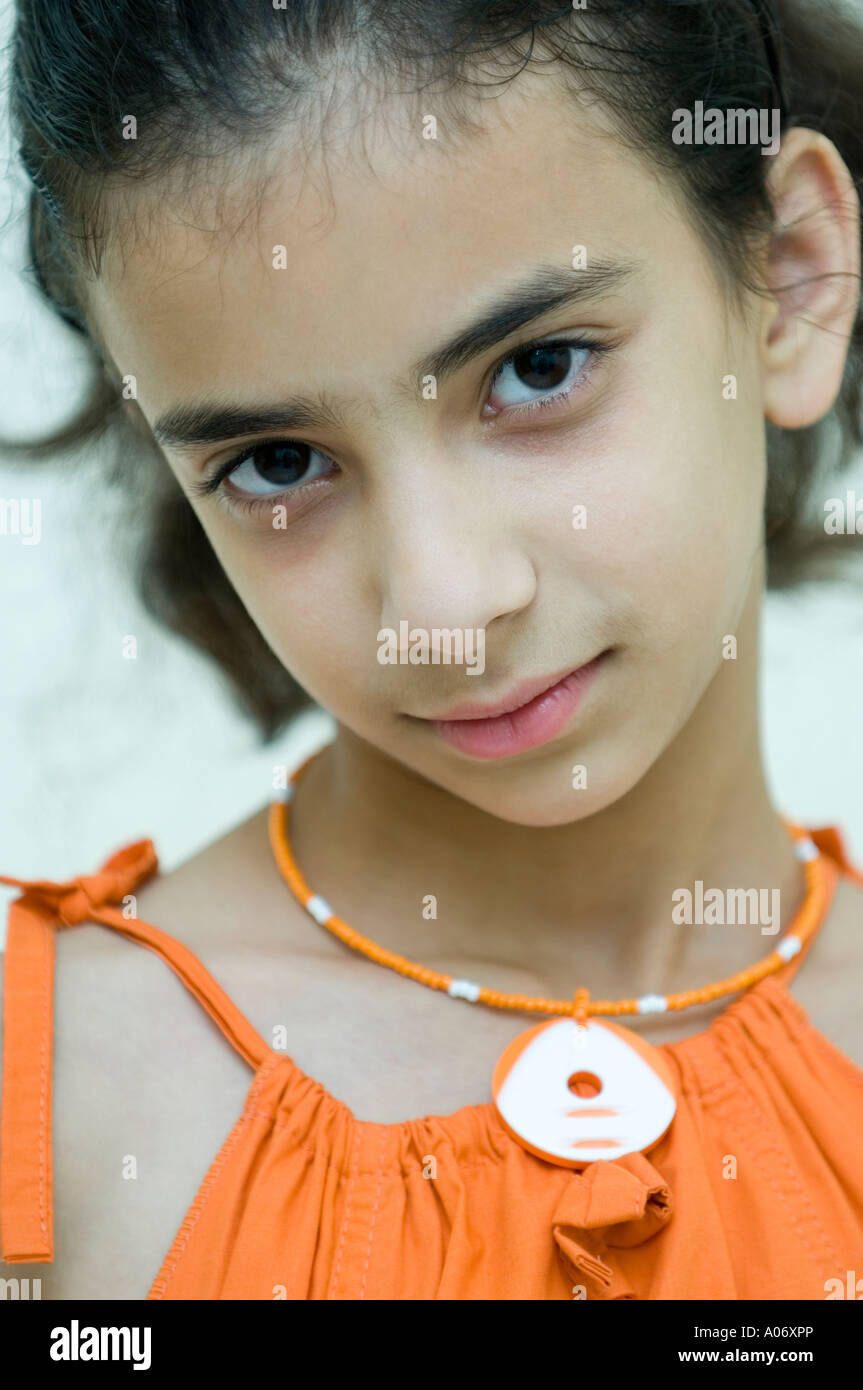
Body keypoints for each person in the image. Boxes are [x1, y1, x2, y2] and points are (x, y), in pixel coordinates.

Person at [1, 0, 862, 1301]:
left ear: (792, 277)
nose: (443, 601)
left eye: (538, 369)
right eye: (278, 463)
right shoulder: (62, 1104)